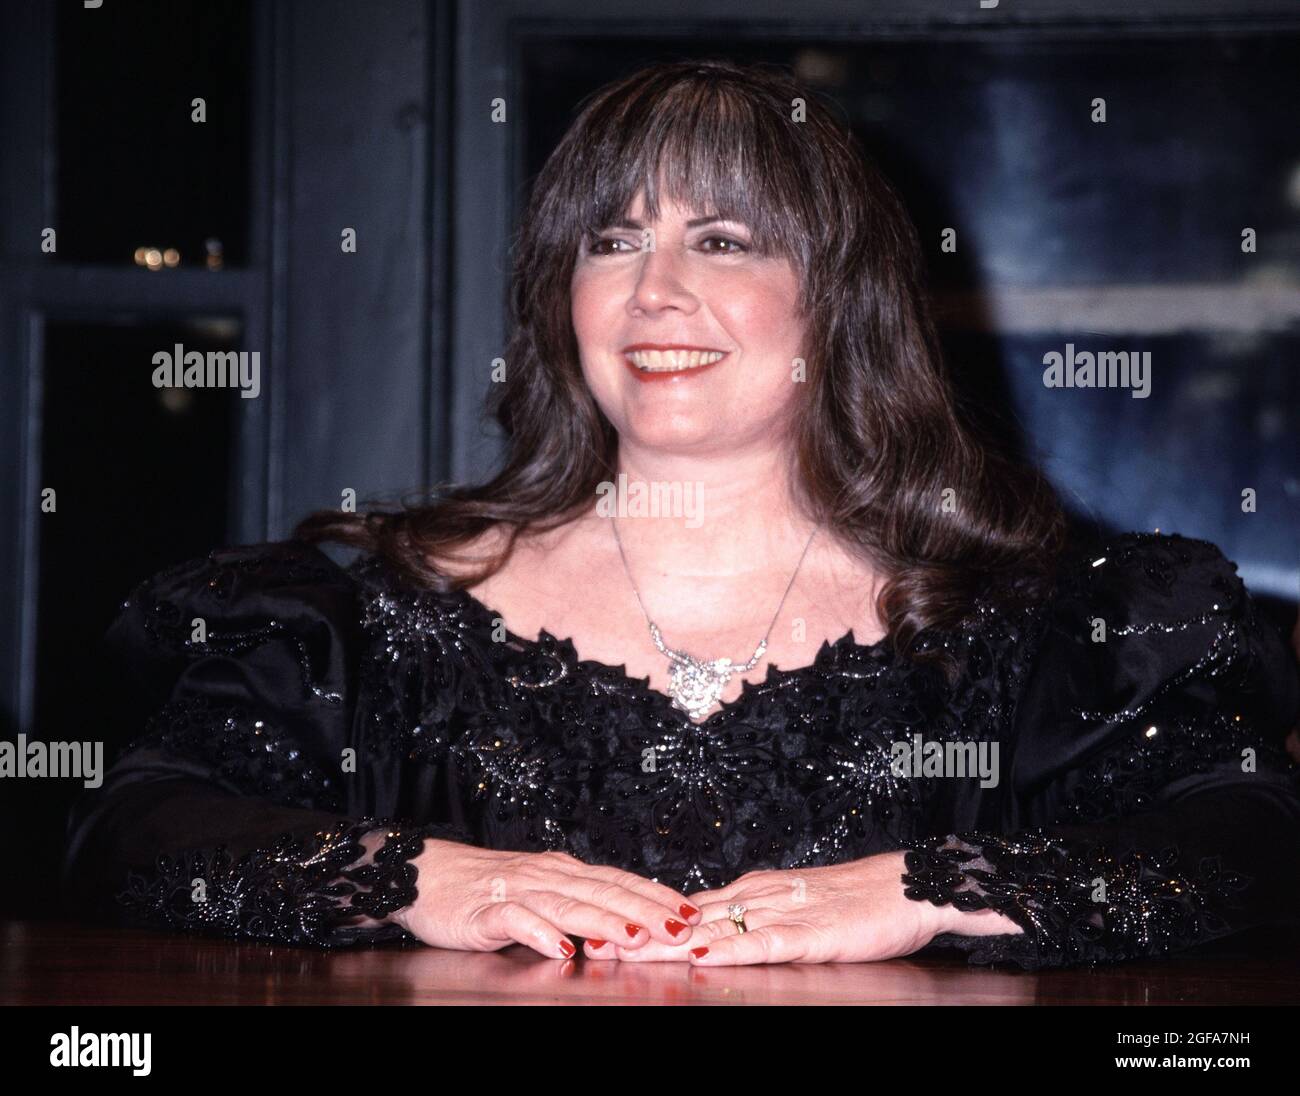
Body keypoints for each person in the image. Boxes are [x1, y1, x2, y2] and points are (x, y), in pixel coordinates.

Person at [63, 59, 1300, 970]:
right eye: (610, 242)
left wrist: (940, 884)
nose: (654, 291)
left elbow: (1251, 841)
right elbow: (125, 827)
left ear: (836, 302)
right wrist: (423, 874)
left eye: (720, 240)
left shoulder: (1038, 627)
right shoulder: (369, 617)